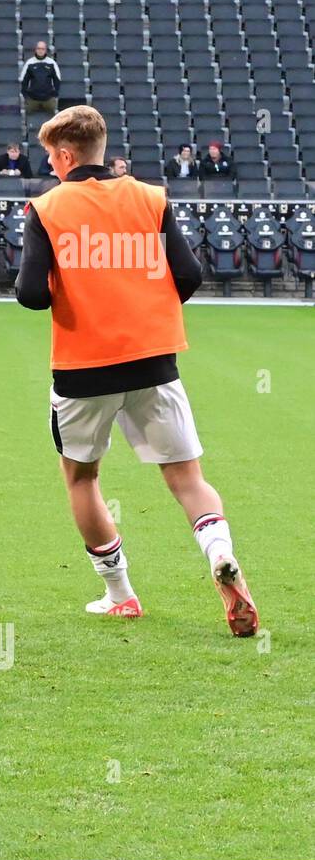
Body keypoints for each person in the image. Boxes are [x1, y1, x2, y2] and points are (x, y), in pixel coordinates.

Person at [15, 105, 258, 638]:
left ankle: (120, 594)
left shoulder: (47, 207)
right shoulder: (151, 197)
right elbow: (189, 274)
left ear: (63, 155)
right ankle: (220, 555)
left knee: (83, 477)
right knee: (186, 478)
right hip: (153, 359)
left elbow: (31, 294)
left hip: (83, 368)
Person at [20, 40, 61, 118]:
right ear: (35, 49)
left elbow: (57, 80)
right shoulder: (30, 63)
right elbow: (23, 81)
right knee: (28, 119)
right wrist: (26, 96)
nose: (40, 50)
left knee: (52, 122)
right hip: (32, 100)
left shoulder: (51, 63)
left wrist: (54, 94)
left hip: (48, 99)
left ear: (45, 50)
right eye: (38, 48)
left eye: (42, 49)